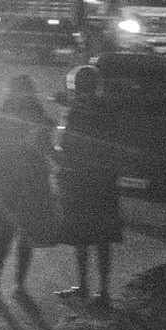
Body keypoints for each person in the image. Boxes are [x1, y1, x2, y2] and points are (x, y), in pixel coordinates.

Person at [0, 75, 59, 298]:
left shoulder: (1, 120)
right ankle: (19, 285)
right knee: (26, 235)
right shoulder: (39, 121)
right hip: (34, 182)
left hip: (10, 182)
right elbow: (47, 151)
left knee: (5, 235)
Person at [53, 63, 122, 310]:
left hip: (80, 181)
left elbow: (67, 148)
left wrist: (54, 156)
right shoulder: (106, 109)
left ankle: (84, 287)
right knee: (101, 239)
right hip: (102, 182)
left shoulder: (75, 111)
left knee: (81, 237)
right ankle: (102, 292)